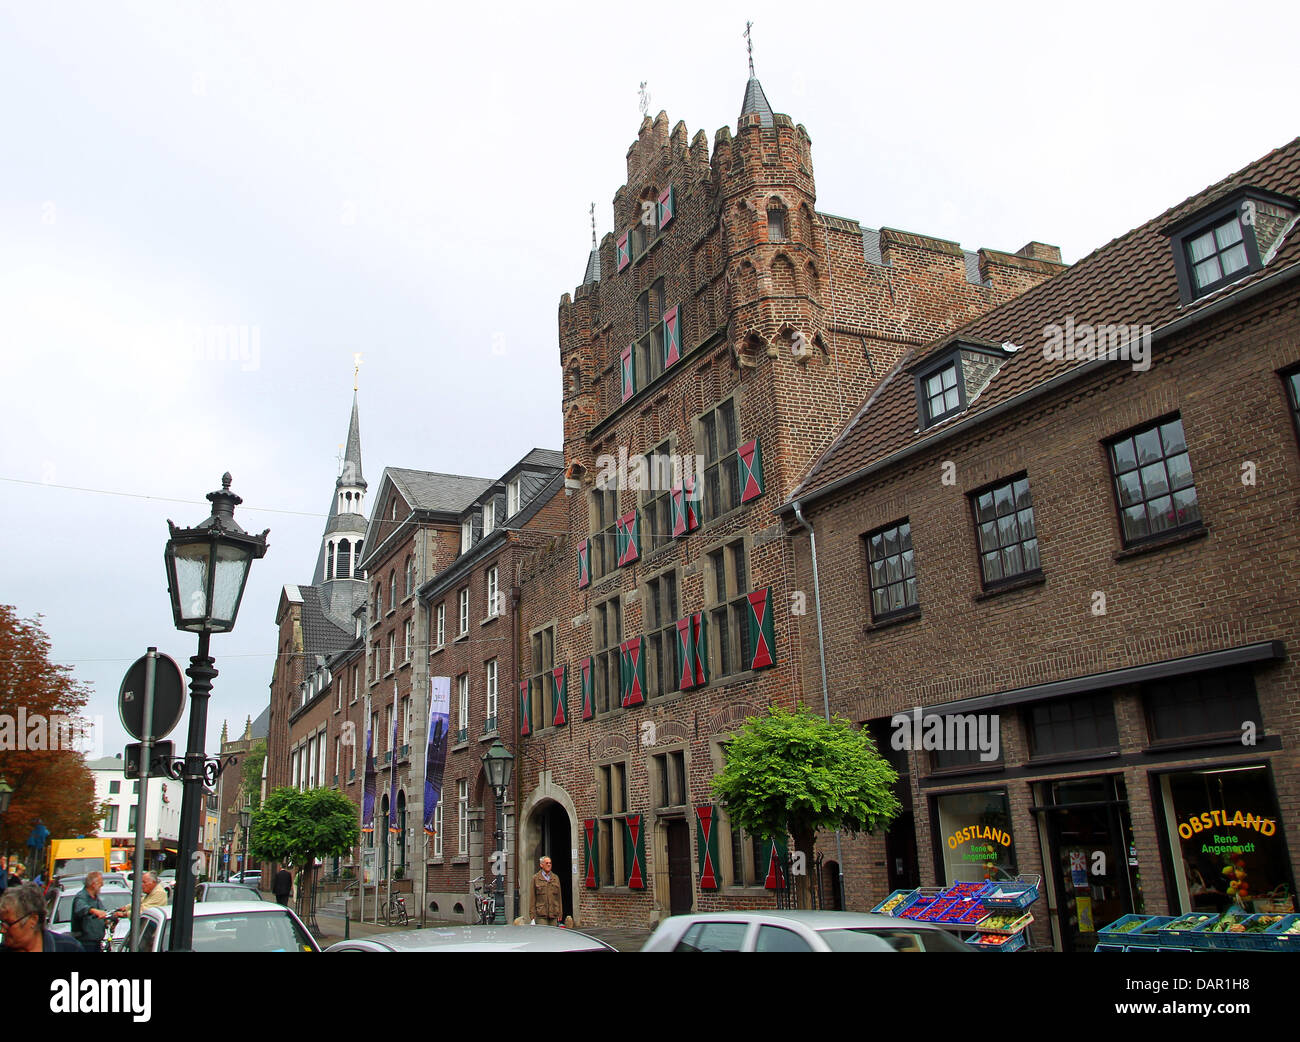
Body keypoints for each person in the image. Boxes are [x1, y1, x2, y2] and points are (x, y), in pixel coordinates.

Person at [1, 884, 81, 952]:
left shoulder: (70, 948)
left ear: (33, 920)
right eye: (2, 923)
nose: (2, 930)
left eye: (8, 923)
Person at [70, 871, 123, 953]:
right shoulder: (81, 897)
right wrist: (94, 911)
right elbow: (81, 908)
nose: (102, 885)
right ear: (93, 884)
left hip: (97, 943)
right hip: (85, 943)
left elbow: (103, 913)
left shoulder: (96, 899)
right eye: (100, 883)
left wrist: (109, 920)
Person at [530, 855, 563, 927]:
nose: (549, 865)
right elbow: (533, 897)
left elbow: (559, 897)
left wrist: (560, 913)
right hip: (541, 914)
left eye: (550, 863)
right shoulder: (536, 878)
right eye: (546, 863)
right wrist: (532, 914)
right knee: (543, 934)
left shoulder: (555, 878)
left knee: (553, 935)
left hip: (553, 913)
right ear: (541, 865)